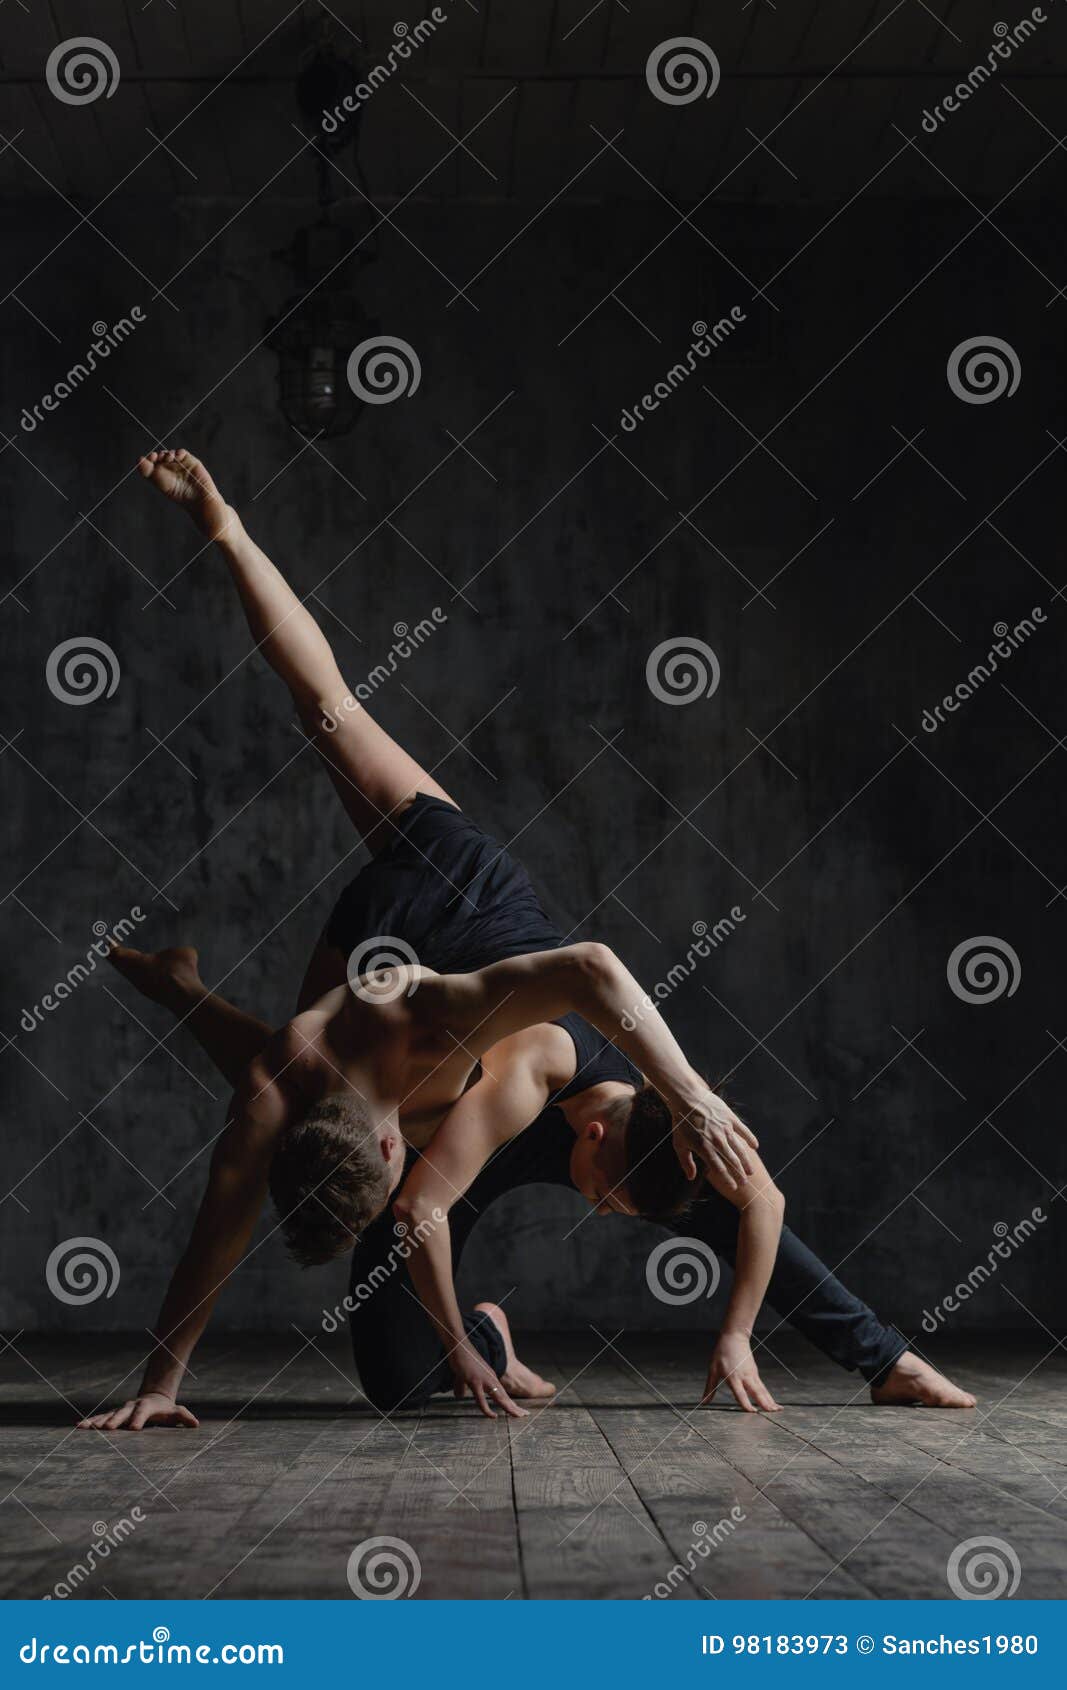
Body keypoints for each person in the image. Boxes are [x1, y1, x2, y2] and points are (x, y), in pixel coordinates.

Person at [76, 451, 975, 1433]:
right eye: (399, 1190)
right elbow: (227, 1221)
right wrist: (163, 1384)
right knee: (377, 1318)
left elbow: (591, 973)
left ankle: (880, 1356)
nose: (402, 1198)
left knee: (329, 713)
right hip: (423, 1024)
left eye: (394, 1186)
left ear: (390, 1143)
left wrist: (690, 1097)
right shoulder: (290, 1092)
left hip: (452, 895)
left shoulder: (458, 1021)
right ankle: (184, 990)